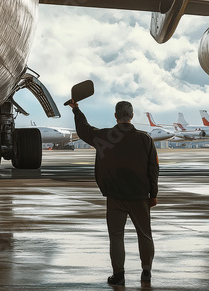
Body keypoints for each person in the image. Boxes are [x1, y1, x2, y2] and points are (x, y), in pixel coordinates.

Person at [69, 99, 158, 286]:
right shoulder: (145, 139)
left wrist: (76, 110)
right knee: (145, 234)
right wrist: (153, 194)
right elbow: (153, 169)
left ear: (116, 116)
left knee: (116, 236)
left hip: (115, 196)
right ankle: (146, 272)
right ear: (132, 116)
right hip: (140, 196)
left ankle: (119, 275)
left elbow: (83, 129)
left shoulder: (104, 136)